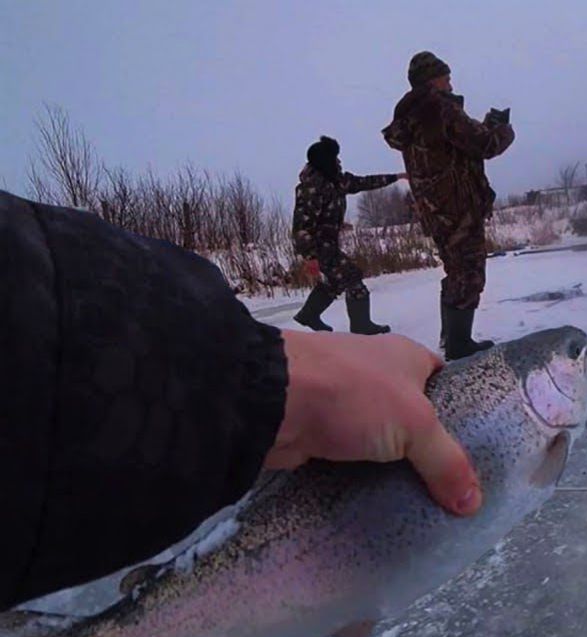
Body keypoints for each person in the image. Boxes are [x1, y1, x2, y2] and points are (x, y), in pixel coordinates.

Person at [0, 190, 482, 610]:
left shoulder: (332, 180)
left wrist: (249, 378)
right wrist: (259, 378)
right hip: (314, 258)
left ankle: (322, 319)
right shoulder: (319, 184)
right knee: (345, 281)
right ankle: (323, 319)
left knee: (344, 282)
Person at [383, 51, 515, 360]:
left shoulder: (412, 116)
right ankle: (459, 345)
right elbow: (483, 145)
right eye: (447, 77)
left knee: (455, 269)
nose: (451, 83)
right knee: (468, 272)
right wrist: (502, 130)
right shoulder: (440, 108)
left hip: (435, 208)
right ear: (433, 80)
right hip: (458, 207)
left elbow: (454, 149)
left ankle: (451, 339)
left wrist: (483, 127)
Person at [291, 136, 402, 335]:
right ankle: (361, 327)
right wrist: (310, 257)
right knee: (352, 277)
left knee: (335, 281)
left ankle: (308, 315)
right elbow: (301, 227)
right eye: (335, 158)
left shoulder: (336, 181)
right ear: (326, 161)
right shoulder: (311, 188)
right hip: (318, 247)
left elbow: (364, 182)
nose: (339, 162)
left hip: (329, 245)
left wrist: (397, 177)